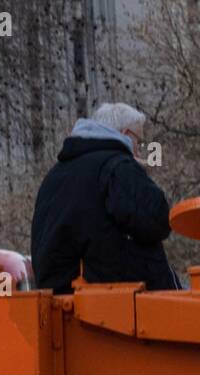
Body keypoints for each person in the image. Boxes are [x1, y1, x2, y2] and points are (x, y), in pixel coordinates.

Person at [30, 103, 178, 294]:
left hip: (59, 296)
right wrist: (139, 173)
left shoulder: (55, 175)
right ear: (126, 134)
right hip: (113, 300)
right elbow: (158, 220)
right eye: (139, 142)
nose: (140, 151)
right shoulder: (118, 166)